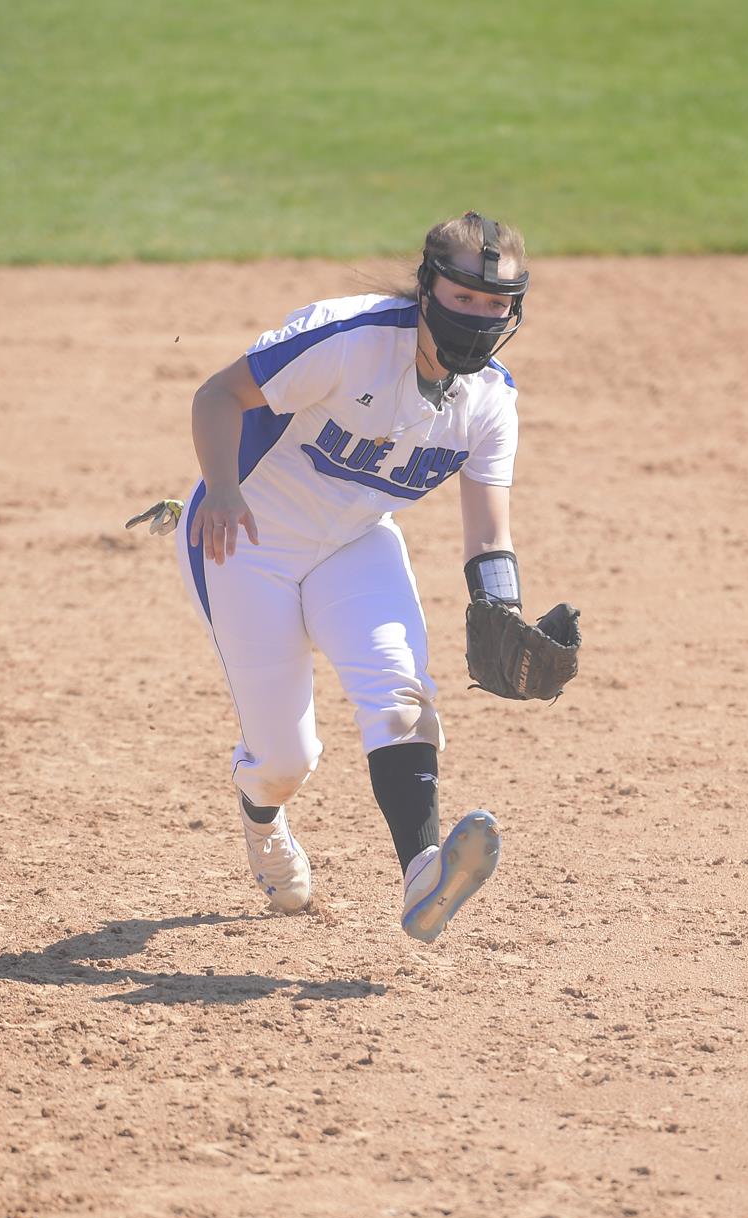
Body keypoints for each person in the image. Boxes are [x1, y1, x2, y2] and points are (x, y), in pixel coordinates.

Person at [172, 211, 539, 943]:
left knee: (399, 686)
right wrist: (222, 488)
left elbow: (489, 530)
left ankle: (424, 873)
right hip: (245, 536)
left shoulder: (490, 400)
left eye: (495, 303)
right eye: (463, 297)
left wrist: (503, 610)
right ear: (428, 287)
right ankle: (263, 815)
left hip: (355, 541)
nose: (479, 315)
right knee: (285, 758)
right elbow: (217, 395)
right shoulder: (349, 340)